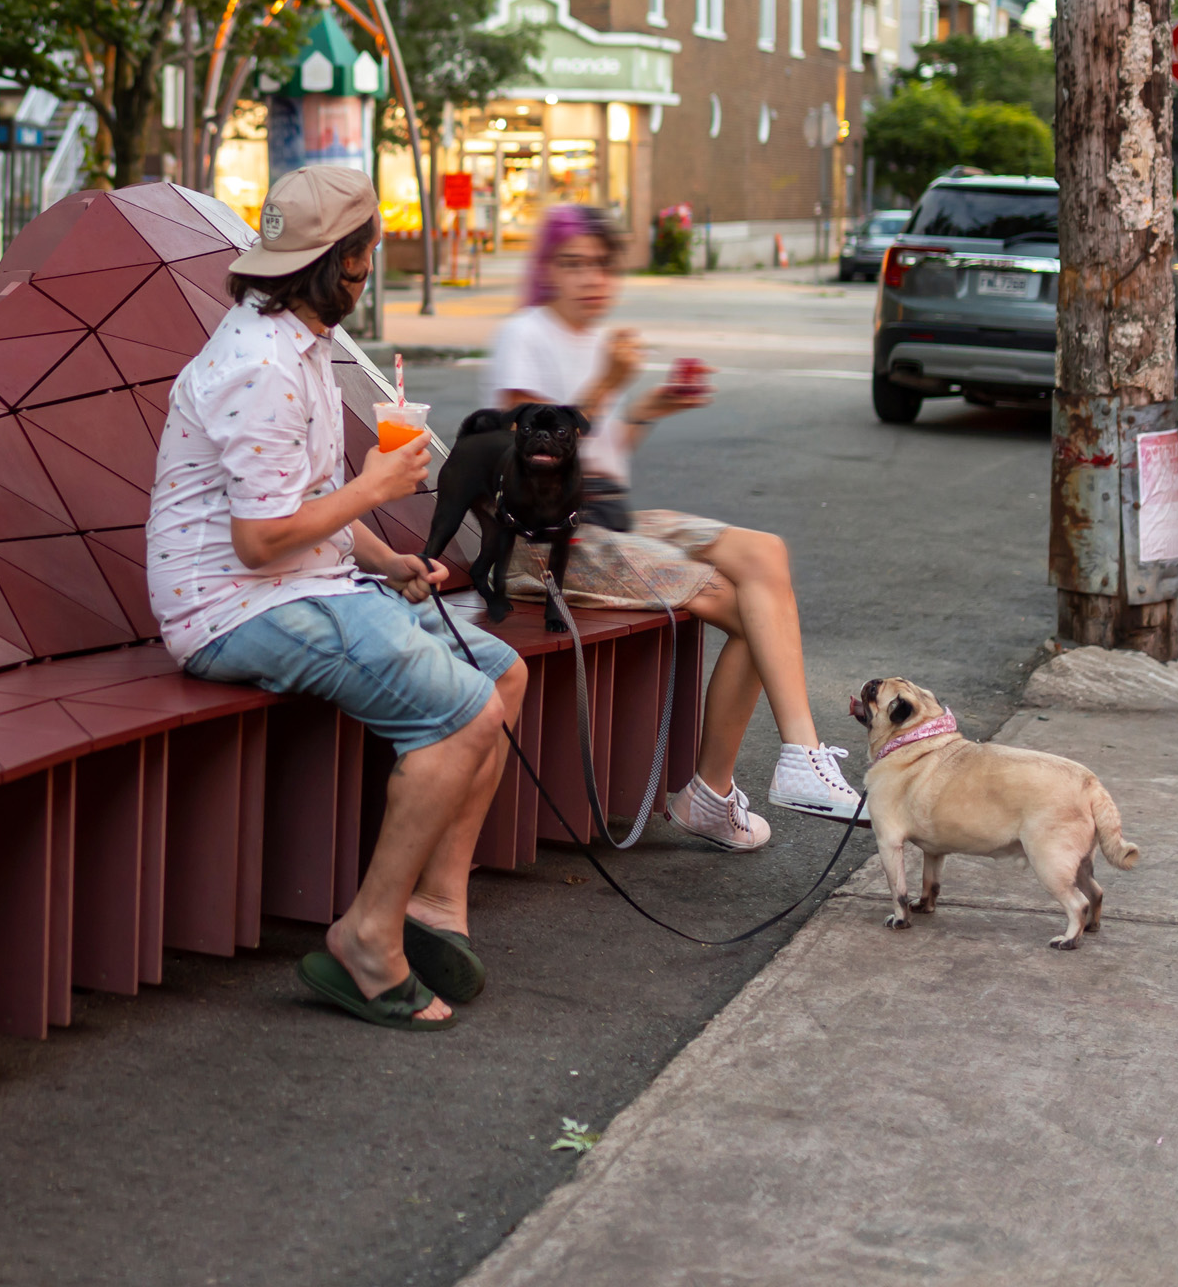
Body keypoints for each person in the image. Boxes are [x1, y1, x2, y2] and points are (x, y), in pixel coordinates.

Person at [148, 165, 528, 1030]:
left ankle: (435, 906)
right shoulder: (260, 367)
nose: (368, 274)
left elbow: (301, 505)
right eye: (364, 257)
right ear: (335, 263)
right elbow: (258, 540)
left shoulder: (297, 343)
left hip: (299, 582)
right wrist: (376, 486)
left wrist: (391, 560)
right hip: (233, 607)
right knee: (465, 711)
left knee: (501, 676)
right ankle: (367, 936)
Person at [481, 203, 860, 852]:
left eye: (601, 265)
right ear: (548, 270)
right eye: (572, 265)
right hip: (544, 543)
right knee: (737, 603)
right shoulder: (526, 334)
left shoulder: (602, 338)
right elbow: (533, 457)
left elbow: (606, 455)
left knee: (764, 553)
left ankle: (788, 760)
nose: (590, 279)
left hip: (609, 514)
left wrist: (650, 407)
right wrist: (608, 383)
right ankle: (728, 788)